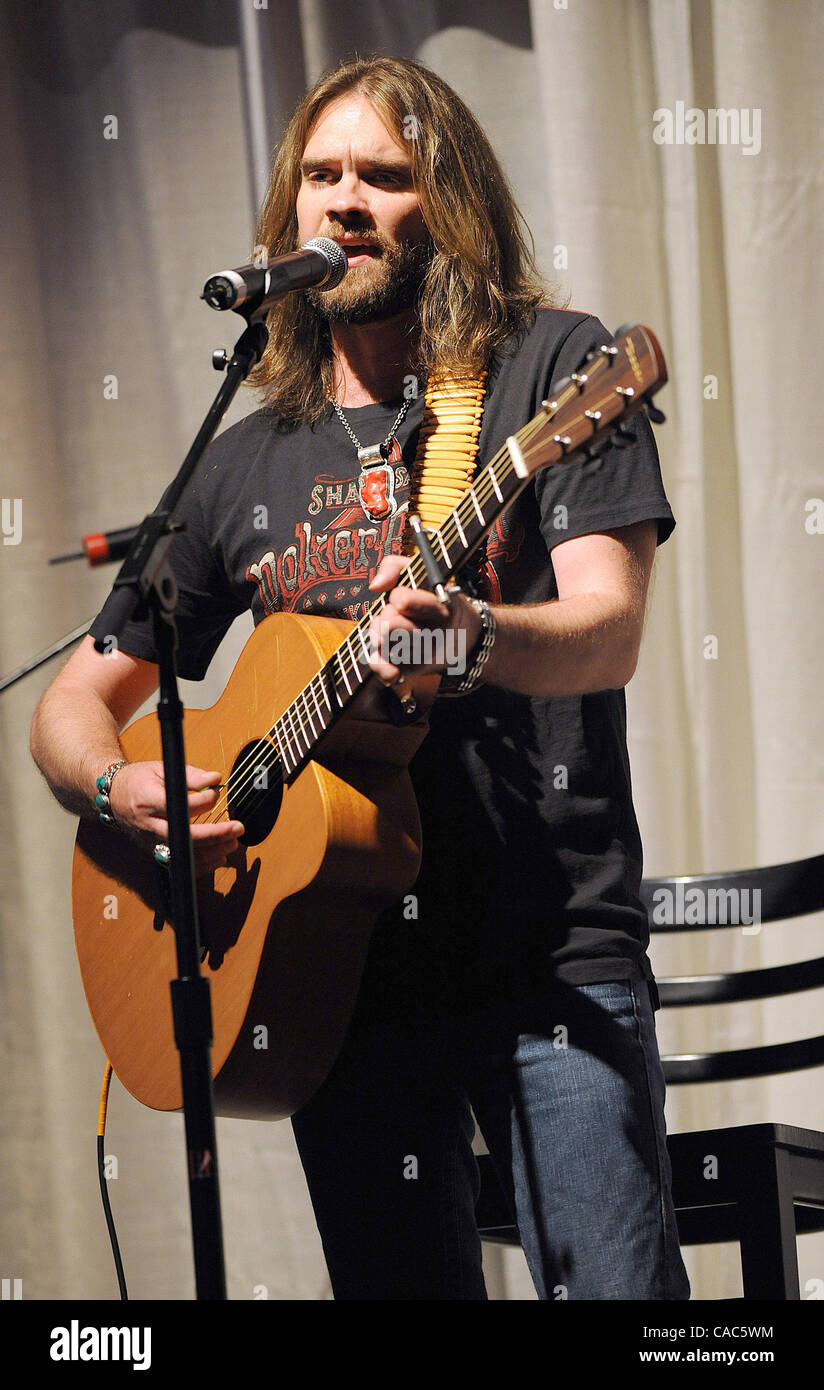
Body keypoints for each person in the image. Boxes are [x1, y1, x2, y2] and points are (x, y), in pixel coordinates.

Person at [30, 55, 690, 1301]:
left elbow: (607, 627)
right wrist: (123, 791)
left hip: (541, 948)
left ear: (446, 205)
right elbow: (72, 707)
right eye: (320, 176)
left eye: (382, 176)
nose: (344, 201)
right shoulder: (242, 461)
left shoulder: (551, 371)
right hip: (330, 975)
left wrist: (470, 635)